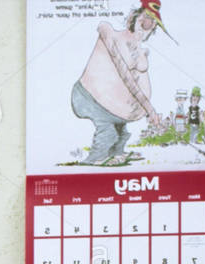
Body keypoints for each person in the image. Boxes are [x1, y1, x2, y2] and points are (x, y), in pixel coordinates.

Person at [71, 2, 166, 166]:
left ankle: (117, 152)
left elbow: (136, 77)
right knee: (108, 132)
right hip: (92, 98)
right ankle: (95, 158)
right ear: (134, 17)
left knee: (121, 132)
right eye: (145, 19)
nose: (147, 25)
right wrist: (150, 110)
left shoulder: (139, 49)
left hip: (116, 108)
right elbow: (126, 77)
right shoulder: (113, 37)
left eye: (151, 23)